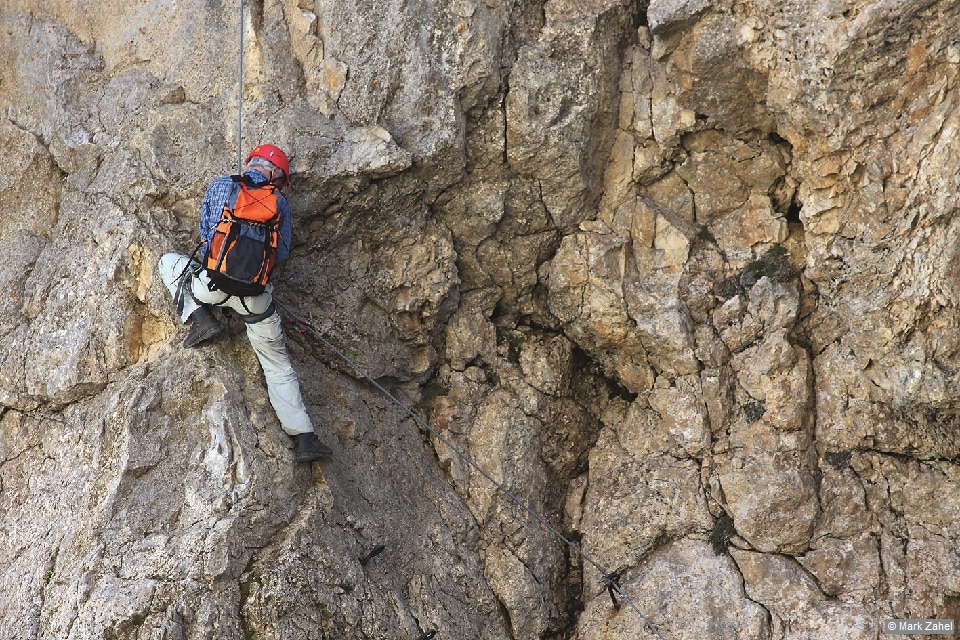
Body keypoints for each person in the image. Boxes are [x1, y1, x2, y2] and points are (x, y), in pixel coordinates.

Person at [157, 144, 332, 462]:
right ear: (278, 176)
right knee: (277, 365)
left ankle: (201, 318)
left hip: (212, 286)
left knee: (168, 262)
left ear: (251, 161)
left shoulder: (222, 185)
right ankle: (305, 439)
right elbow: (280, 254)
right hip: (255, 298)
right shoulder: (279, 202)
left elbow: (206, 237)